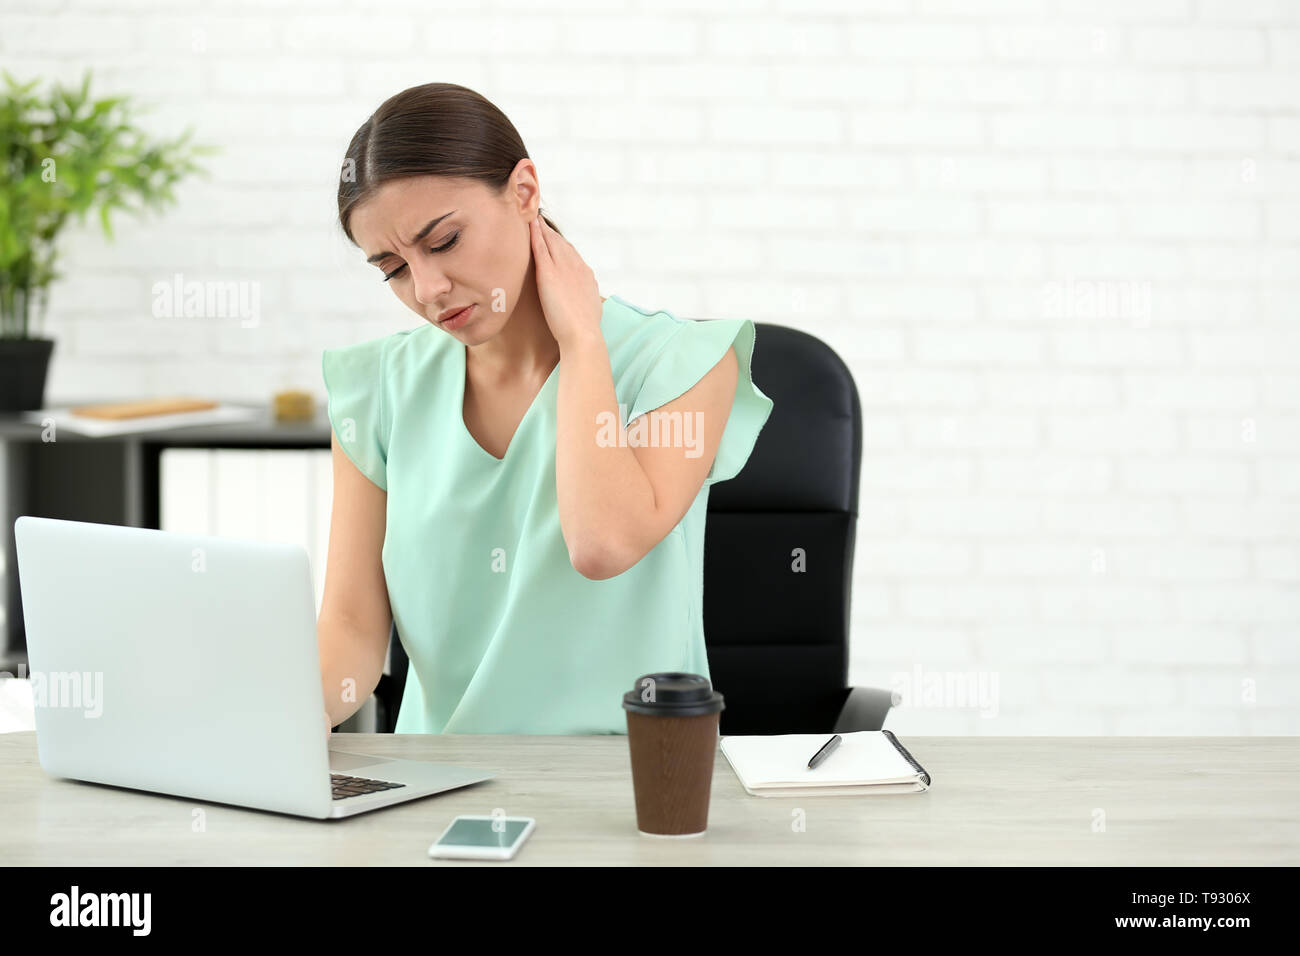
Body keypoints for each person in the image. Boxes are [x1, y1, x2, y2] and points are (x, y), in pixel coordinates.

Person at [319, 82, 773, 735]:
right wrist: (276, 728)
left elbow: (602, 543)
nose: (428, 288)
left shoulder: (684, 362)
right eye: (392, 268)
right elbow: (351, 629)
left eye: (443, 241)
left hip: (632, 790)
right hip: (433, 793)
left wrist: (582, 341)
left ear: (525, 192)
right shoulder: (378, 387)